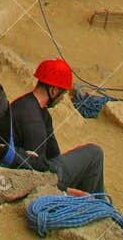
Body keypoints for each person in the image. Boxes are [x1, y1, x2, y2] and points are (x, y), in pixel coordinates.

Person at [9, 59, 106, 194]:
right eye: (63, 93)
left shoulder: (31, 107)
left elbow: (54, 153)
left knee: (83, 162)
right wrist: (66, 191)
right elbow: (36, 172)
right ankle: (94, 207)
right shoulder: (34, 122)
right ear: (53, 91)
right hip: (43, 174)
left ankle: (95, 202)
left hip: (44, 165)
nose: (62, 98)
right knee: (95, 153)